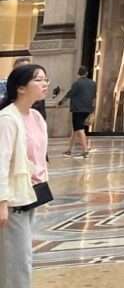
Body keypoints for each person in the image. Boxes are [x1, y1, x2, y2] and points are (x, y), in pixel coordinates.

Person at [0, 64, 49, 288]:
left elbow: (39, 157)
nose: (45, 84)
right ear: (20, 87)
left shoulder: (37, 117)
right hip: (12, 201)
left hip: (31, 195)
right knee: (18, 262)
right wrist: (2, 202)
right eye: (38, 80)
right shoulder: (7, 119)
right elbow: (1, 162)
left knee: (18, 258)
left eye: (45, 79)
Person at [61, 67, 96, 157]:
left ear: (78, 74)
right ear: (87, 73)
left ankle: (85, 150)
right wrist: (93, 110)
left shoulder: (77, 83)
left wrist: (60, 102)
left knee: (80, 129)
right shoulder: (93, 83)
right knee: (76, 129)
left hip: (78, 109)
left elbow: (69, 94)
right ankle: (69, 149)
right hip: (88, 109)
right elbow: (94, 97)